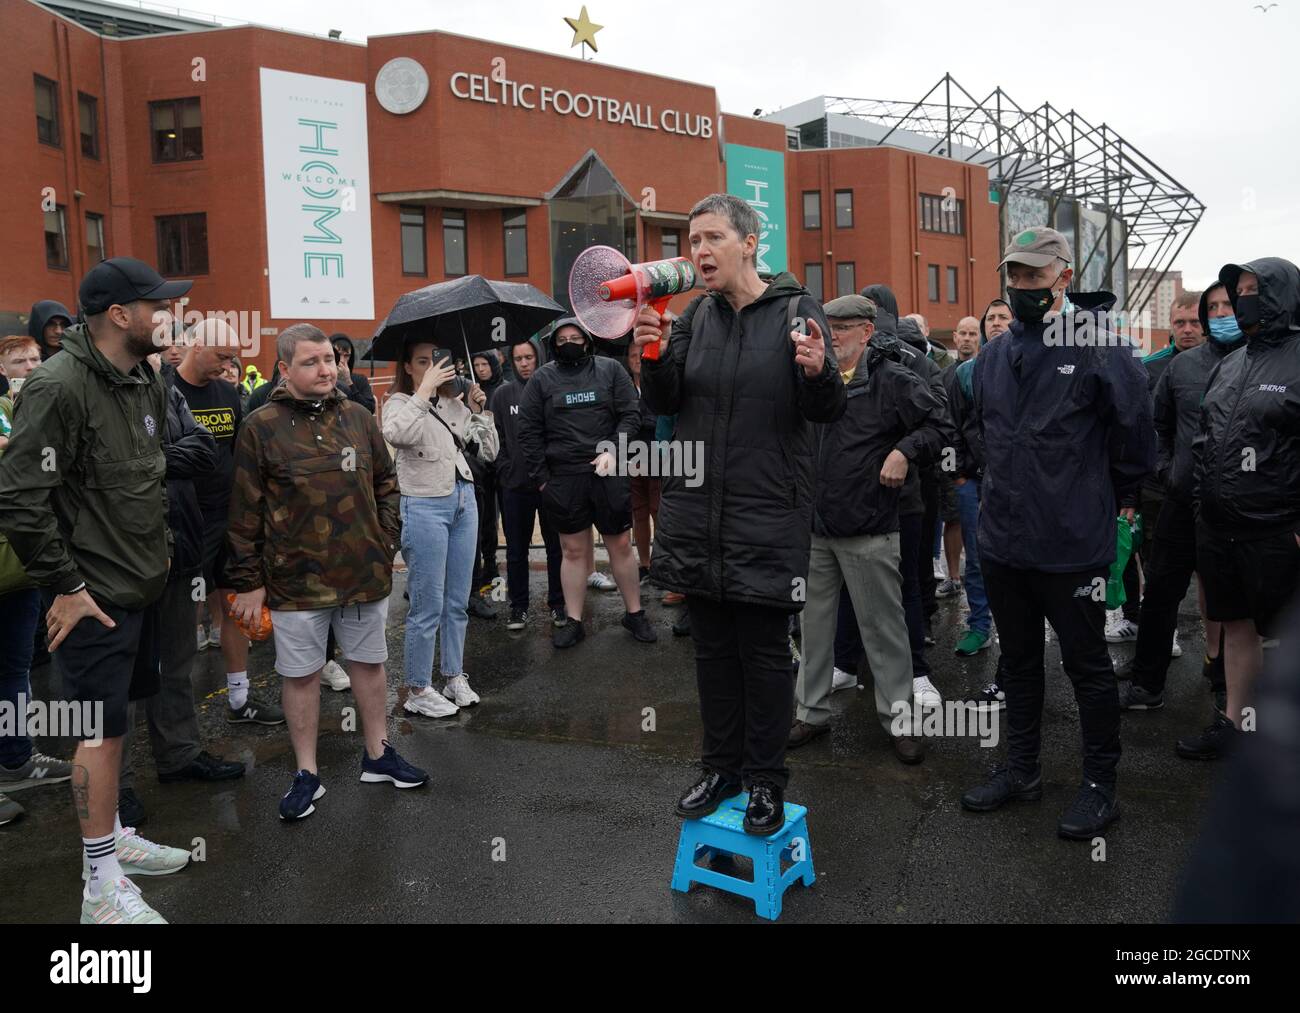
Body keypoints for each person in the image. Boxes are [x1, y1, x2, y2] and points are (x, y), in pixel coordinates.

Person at [636, 192, 846, 835]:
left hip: (768, 515)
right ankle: (721, 768)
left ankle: (765, 782)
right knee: (712, 653)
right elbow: (665, 403)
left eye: (713, 238)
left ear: (750, 243)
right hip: (698, 514)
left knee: (763, 656)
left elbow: (827, 410)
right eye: (693, 240)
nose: (699, 251)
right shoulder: (696, 318)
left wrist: (816, 375)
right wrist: (651, 351)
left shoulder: (795, 309)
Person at [0, 257, 198, 923]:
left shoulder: (144, 375)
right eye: (157, 304)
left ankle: (113, 845)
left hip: (138, 584)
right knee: (95, 733)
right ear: (121, 314)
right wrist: (66, 584)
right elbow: (21, 500)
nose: (167, 315)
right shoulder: (56, 387)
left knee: (117, 728)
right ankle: (99, 887)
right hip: (92, 597)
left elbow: (142, 476)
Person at [960, 227, 1154, 840]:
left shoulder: (1102, 346)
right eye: (1014, 276)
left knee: (1086, 665)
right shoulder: (990, 356)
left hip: (1071, 546)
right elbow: (977, 431)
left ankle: (1101, 785)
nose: (1021, 287)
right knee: (1016, 663)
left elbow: (1135, 436)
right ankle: (1022, 770)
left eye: (1034, 277)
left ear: (1063, 278)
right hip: (1003, 544)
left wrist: (1119, 499)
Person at [226, 324, 426, 820]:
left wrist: (385, 540)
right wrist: (249, 581)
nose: (326, 369)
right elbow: (243, 511)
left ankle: (379, 755)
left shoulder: (358, 416)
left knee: (369, 667)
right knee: (301, 676)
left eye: (331, 359)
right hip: (294, 583)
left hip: (362, 574)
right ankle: (307, 773)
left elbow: (386, 481)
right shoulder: (260, 427)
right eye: (312, 361)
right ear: (284, 369)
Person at [790, 294, 949, 764]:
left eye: (841, 327)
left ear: (866, 331)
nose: (831, 334)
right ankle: (810, 713)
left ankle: (900, 721)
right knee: (813, 629)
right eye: (826, 325)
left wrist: (904, 452)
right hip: (818, 525)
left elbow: (940, 424)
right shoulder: (811, 378)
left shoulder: (893, 379)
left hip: (870, 525)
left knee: (884, 630)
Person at [117, 352, 245, 826]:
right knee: (125, 676)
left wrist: (148, 462)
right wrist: (164, 460)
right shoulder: (88, 392)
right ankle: (118, 784)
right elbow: (103, 470)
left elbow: (205, 450)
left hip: (180, 544)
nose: (159, 352)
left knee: (177, 661)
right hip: (122, 557)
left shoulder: (165, 389)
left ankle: (179, 756)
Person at [1179, 258, 1300, 759]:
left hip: (1277, 528)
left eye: (1254, 290)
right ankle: (1235, 722)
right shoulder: (1232, 362)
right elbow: (1208, 437)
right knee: (1236, 627)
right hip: (1220, 526)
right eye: (1238, 289)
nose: (1244, 298)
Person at [1116, 284, 1239, 714]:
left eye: (1228, 305)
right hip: (1181, 503)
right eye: (1213, 307)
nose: (1219, 313)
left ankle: (1228, 696)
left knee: (1232, 605)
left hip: (1235, 514)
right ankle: (1147, 685)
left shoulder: (1259, 363)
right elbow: (1158, 426)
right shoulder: (1181, 367)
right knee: (1161, 595)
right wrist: (1170, 472)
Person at [176, 319, 293, 711]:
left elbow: (242, 452)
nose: (228, 365)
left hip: (228, 516)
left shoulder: (228, 392)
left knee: (234, 606)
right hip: (184, 520)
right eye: (222, 356)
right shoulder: (164, 392)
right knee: (181, 611)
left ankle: (240, 697)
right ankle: (172, 703)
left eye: (233, 358)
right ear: (195, 347)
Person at [518, 318, 656, 648]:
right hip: (564, 478)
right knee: (574, 549)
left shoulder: (610, 370)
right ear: (553, 345)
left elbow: (630, 414)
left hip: (607, 472)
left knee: (621, 545)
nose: (569, 342)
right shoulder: (541, 379)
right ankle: (574, 620)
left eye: (575, 337)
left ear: (587, 340)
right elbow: (528, 432)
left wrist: (614, 448)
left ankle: (634, 613)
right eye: (562, 338)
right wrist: (542, 481)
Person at [383, 341, 497, 717]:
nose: (431, 367)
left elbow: (489, 451)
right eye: (422, 362)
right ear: (408, 367)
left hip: (465, 499)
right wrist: (424, 390)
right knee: (426, 604)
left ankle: (453, 676)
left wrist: (481, 411)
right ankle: (417, 688)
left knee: (457, 601)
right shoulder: (400, 402)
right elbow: (396, 434)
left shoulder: (455, 403)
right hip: (425, 504)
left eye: (436, 362)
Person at [864, 288, 946, 709]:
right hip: (854, 498)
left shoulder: (917, 363)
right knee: (850, 587)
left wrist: (905, 453)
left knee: (908, 584)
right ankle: (847, 662)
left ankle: (916, 669)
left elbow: (938, 424)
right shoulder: (841, 362)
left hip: (907, 494)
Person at [491, 337, 566, 630]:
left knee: (555, 548)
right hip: (515, 486)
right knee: (516, 550)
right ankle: (518, 607)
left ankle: (558, 605)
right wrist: (505, 469)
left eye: (529, 358)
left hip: (548, 484)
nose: (524, 363)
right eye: (519, 358)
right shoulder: (502, 394)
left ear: (539, 357)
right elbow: (495, 437)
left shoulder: (551, 389)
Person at [936, 316, 982, 599]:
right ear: (955, 337)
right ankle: (953, 576)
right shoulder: (945, 375)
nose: (966, 338)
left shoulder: (983, 371)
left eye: (972, 334)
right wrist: (954, 472)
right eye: (962, 333)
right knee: (952, 519)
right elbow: (944, 423)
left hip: (978, 466)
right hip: (954, 463)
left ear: (979, 338)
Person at [468, 350, 505, 617]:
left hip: (499, 465)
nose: (481, 369)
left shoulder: (501, 391)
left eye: (485, 364)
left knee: (493, 518)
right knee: (481, 519)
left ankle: (492, 564)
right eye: (477, 365)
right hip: (478, 467)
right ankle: (481, 568)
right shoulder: (471, 392)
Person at [625, 340, 662, 581]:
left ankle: (661, 563)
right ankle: (644, 564)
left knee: (659, 511)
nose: (637, 359)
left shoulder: (657, 385)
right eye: (632, 355)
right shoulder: (623, 388)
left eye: (641, 354)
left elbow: (660, 420)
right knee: (638, 513)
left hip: (658, 457)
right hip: (631, 459)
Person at [330, 333, 376, 414]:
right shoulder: (323, 378)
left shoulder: (360, 380)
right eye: (338, 354)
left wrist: (349, 381)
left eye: (346, 356)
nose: (342, 360)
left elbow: (370, 409)